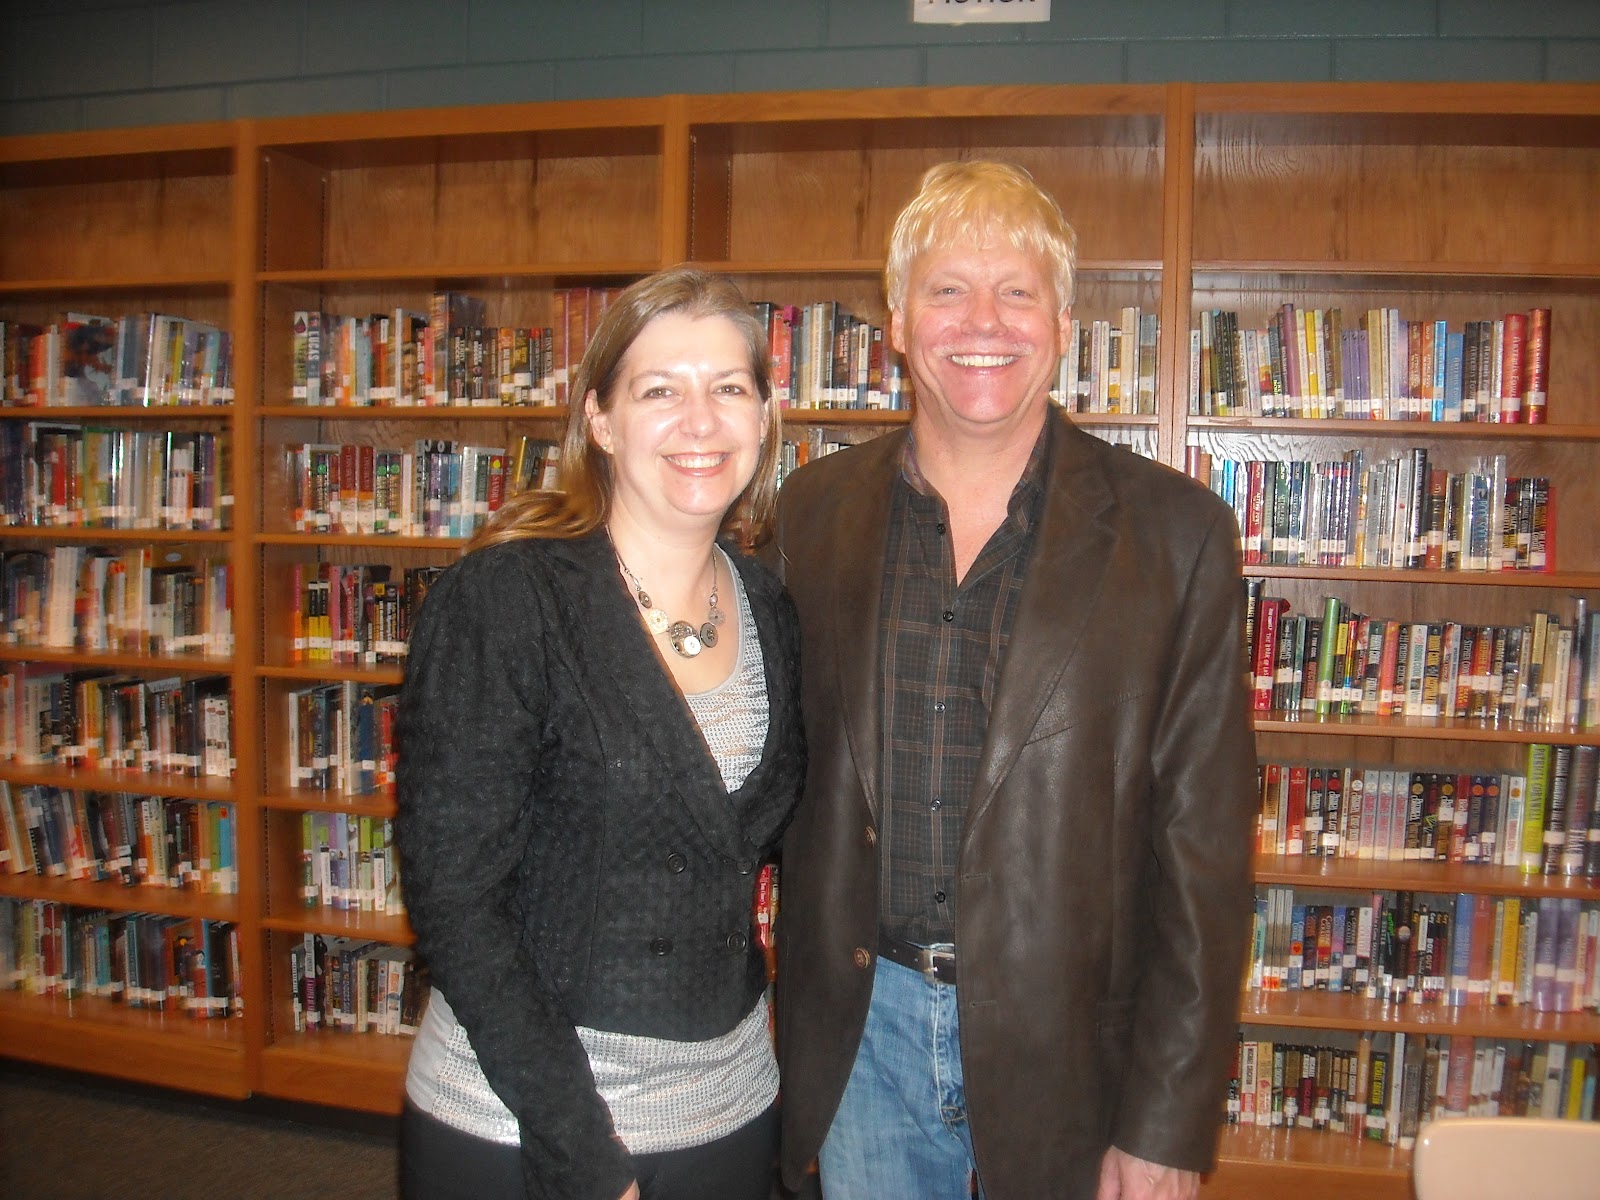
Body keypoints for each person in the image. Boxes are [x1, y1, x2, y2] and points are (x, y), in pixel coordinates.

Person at [769, 161, 1257, 1200]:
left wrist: (1168, 1122)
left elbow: (1203, 859)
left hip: (1076, 1054)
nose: (981, 321)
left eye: (1017, 290)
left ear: (1066, 320)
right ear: (895, 320)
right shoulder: (808, 517)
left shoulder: (1177, 537)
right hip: (863, 1044)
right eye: (946, 289)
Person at [395, 266, 805, 1200]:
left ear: (762, 419)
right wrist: (582, 1152)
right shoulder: (506, 602)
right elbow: (456, 902)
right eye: (660, 390)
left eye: (729, 389)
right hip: (525, 1127)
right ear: (602, 421)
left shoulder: (771, 608)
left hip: (730, 1111)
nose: (700, 421)